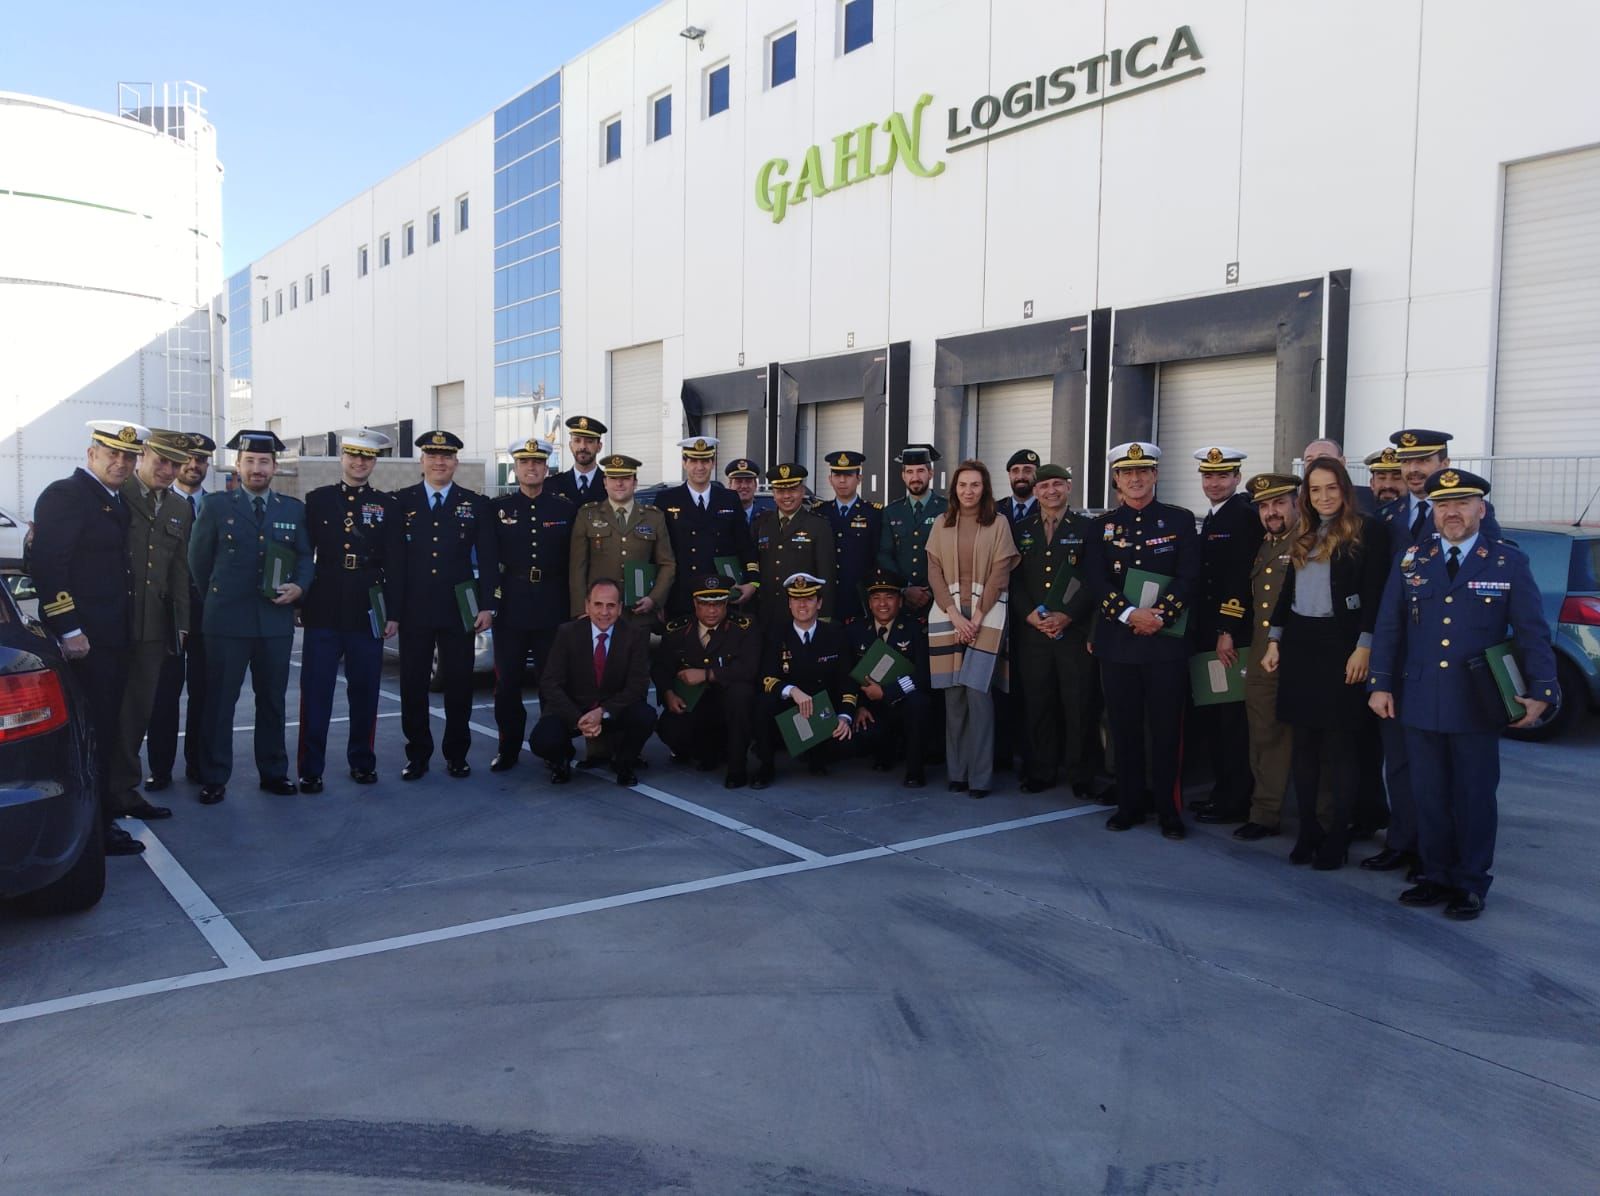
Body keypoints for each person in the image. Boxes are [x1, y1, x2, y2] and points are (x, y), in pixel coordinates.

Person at [1368, 469, 1557, 921]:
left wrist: (1543, 690)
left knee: (1473, 797)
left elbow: (1532, 632)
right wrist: (1380, 684)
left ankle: (1470, 882)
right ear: (1433, 511)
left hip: (1476, 702)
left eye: (1462, 504)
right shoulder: (1412, 560)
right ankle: (1434, 875)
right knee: (1427, 794)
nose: (1452, 513)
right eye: (1443, 505)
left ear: (1481, 510)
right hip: (1419, 698)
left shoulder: (1507, 562)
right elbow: (1389, 627)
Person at [1365, 427, 1500, 876]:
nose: (1413, 469)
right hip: (1398, 661)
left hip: (1448, 667)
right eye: (1406, 462)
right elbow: (1381, 599)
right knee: (1403, 763)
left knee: (1457, 775)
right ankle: (1405, 841)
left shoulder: (1476, 515)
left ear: (1444, 461)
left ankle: (1446, 857)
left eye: (1424, 460)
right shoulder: (1388, 516)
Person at [1260, 457, 1388, 869]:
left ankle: (1338, 837)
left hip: (1342, 646)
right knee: (1304, 747)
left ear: (1345, 489)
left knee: (1341, 749)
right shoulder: (1306, 533)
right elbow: (1286, 594)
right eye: (1315, 490)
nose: (1323, 496)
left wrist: (1365, 647)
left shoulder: (1369, 531)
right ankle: (1309, 831)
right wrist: (1275, 639)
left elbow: (1376, 594)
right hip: (1300, 645)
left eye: (1331, 487)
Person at [29, 420, 149, 856]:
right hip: (86, 642)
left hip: (111, 637)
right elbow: (48, 565)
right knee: (91, 734)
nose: (120, 462)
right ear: (91, 453)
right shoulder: (67, 495)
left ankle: (102, 818)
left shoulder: (111, 501)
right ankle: (95, 832)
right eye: (111, 453)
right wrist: (70, 629)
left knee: (105, 729)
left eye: (128, 456)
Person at [187, 429, 314, 805]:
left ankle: (274, 772)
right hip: (226, 622)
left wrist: (299, 588)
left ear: (275, 467)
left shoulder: (293, 509)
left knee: (273, 701)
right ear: (238, 466)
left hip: (274, 623)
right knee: (220, 701)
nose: (257, 468)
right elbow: (198, 563)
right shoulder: (216, 507)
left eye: (264, 462)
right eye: (250, 462)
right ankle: (213, 776)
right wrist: (218, 597)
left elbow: (305, 557)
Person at [1088, 442, 1199, 840]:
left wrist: (1160, 615)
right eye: (1127, 473)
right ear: (1116, 479)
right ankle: (1130, 804)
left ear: (1154, 475)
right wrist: (1128, 613)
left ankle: (1169, 809)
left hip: (1165, 643)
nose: (1135, 479)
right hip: (1119, 642)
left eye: (1143, 471)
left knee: (1167, 730)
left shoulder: (1179, 520)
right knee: (1124, 728)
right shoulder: (1101, 526)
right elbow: (1095, 579)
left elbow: (1189, 576)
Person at [295, 428, 401, 792]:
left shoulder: (387, 505)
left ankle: (362, 761)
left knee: (365, 690)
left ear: (374, 462)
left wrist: (394, 612)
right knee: (316, 690)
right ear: (342, 458)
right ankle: (311, 768)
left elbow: (395, 565)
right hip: (323, 605)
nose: (359, 463)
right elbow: (303, 555)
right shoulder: (318, 500)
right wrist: (300, 599)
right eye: (353, 456)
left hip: (366, 607)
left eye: (367, 457)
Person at [392, 429, 498, 781]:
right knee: (413, 684)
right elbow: (392, 563)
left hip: (459, 610)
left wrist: (486, 606)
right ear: (422, 460)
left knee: (458, 685)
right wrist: (392, 611)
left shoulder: (475, 504)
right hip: (415, 609)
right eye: (433, 455)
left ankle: (457, 753)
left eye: (447, 456)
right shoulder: (401, 502)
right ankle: (418, 754)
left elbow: (488, 556)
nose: (440, 461)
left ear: (456, 462)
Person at [107, 429, 194, 821]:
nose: (168, 469)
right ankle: (97, 792)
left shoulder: (179, 507)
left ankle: (124, 792)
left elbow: (179, 570)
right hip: (110, 622)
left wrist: (182, 624)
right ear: (142, 456)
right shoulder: (115, 494)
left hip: (153, 627)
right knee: (104, 709)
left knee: (138, 711)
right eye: (161, 460)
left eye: (175, 463)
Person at [925, 459, 1020, 800]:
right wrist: (954, 615)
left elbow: (1000, 572)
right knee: (954, 696)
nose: (968, 491)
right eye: (963, 485)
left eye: (975, 485)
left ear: (985, 488)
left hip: (986, 614)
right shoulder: (941, 522)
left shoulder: (999, 524)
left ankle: (980, 778)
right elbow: (933, 570)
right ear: (955, 489)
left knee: (979, 695)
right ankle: (957, 772)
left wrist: (976, 617)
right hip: (948, 614)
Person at [1007, 463, 1097, 796]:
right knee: (1038, 703)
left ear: (1069, 487)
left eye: (1058, 485)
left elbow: (1094, 581)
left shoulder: (1087, 529)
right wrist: (1029, 615)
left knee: (1078, 705)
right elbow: (1012, 581)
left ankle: (1080, 775)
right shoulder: (1021, 529)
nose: (1051, 492)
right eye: (1044, 487)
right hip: (1033, 634)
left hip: (1072, 633)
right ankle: (1041, 770)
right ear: (1035, 491)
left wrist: (1068, 615)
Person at [488, 437, 576, 772]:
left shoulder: (565, 509)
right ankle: (508, 748)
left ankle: (556, 750)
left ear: (547, 467)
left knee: (551, 682)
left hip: (553, 604)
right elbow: (489, 557)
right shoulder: (499, 509)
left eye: (538, 463)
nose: (531, 468)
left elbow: (573, 559)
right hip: (511, 604)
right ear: (515, 467)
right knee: (507, 683)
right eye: (525, 463)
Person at [1189, 446, 1264, 825]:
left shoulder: (1244, 516)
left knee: (1232, 723)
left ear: (1236, 478)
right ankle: (1221, 793)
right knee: (1216, 719)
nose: (1214, 483)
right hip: (1209, 636)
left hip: (1227, 640)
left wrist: (1227, 631)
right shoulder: (1217, 517)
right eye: (1208, 476)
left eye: (1222, 476)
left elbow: (1239, 580)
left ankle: (1236, 800)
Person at [531, 577, 657, 787]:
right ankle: (562, 760)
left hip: (611, 710)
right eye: (598, 604)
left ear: (619, 608)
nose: (604, 612)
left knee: (646, 716)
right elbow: (550, 682)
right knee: (542, 740)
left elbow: (638, 685)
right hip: (574, 709)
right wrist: (578, 718)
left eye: (610, 606)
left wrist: (602, 711)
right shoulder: (567, 633)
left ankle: (624, 763)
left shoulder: (634, 635)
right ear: (587, 606)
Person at [1233, 473, 1302, 842]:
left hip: (1298, 655)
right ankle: (1265, 811)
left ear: (1296, 502)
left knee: (1306, 742)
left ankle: (1315, 818)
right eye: (1264, 506)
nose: (1271, 512)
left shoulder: (1308, 541)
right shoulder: (1267, 544)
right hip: (1263, 654)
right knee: (1263, 735)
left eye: (1278, 503)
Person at [145, 432, 215, 790]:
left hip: (209, 614)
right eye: (186, 458)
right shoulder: (157, 503)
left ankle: (198, 764)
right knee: (165, 692)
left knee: (204, 691)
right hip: (168, 614)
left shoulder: (219, 505)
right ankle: (160, 767)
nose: (193, 465)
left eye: (200, 460)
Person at [653, 574, 761, 787]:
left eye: (718, 604)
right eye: (705, 604)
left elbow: (749, 668)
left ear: (726, 603)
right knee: (669, 728)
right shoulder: (677, 630)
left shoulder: (744, 627)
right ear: (695, 603)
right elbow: (661, 667)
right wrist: (668, 693)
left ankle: (737, 766)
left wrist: (707, 674)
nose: (712, 610)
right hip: (695, 705)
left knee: (741, 694)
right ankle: (706, 753)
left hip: (728, 704)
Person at [752, 573, 858, 788]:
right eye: (796, 599)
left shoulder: (835, 633)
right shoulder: (775, 634)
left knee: (846, 745)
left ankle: (817, 755)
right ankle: (766, 766)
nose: (802, 605)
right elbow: (765, 677)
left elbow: (847, 678)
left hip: (822, 711)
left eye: (809, 599)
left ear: (819, 603)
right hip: (788, 707)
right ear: (789, 604)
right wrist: (792, 690)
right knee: (764, 703)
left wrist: (845, 716)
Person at [569, 453, 675, 631]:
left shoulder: (653, 517)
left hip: (639, 613)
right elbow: (577, 567)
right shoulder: (587, 515)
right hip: (598, 614)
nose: (619, 484)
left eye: (625, 478)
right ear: (605, 482)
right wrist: (581, 609)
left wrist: (654, 599)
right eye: (613, 478)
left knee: (637, 659)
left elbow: (667, 564)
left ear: (634, 482)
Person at [654, 436, 756, 619]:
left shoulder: (729, 498)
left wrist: (753, 582)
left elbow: (745, 546)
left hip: (722, 593)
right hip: (681, 596)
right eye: (693, 460)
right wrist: (657, 598)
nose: (699, 467)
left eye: (705, 461)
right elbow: (657, 553)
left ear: (713, 463)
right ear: (684, 463)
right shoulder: (666, 500)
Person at [846, 568, 930, 788]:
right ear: (869, 603)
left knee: (918, 703)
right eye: (876, 598)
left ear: (900, 602)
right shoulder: (855, 631)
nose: (882, 604)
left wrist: (888, 692)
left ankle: (914, 770)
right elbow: (847, 674)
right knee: (860, 737)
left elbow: (923, 674)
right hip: (871, 706)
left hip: (903, 701)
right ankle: (885, 753)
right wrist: (858, 706)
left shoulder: (914, 629)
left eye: (889, 597)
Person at [749, 463, 836, 625]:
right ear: (773, 494)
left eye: (792, 490)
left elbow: (826, 574)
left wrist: (824, 615)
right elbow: (753, 565)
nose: (786, 496)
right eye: (781, 491)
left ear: (802, 491)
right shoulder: (761, 524)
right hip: (767, 613)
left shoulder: (818, 525)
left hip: (803, 615)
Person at [877, 445, 948, 622]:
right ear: (903, 475)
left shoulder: (947, 509)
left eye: (921, 471)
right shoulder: (891, 512)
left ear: (930, 473)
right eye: (909, 472)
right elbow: (885, 555)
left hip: (939, 601)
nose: (915, 477)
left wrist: (931, 591)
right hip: (902, 601)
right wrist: (905, 589)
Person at [818, 450, 882, 624]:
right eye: (837, 475)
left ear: (859, 478)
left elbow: (878, 557)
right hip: (825, 599)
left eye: (848, 475)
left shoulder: (874, 514)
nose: (842, 480)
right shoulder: (819, 513)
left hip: (859, 599)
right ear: (830, 479)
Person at [548, 414, 607, 508]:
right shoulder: (552, 484)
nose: (583, 446)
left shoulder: (611, 485)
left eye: (589, 441)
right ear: (571, 446)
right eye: (577, 440)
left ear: (599, 447)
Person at [725, 457, 775, 527]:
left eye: (748, 481)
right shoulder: (720, 518)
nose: (744, 486)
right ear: (730, 485)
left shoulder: (769, 518)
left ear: (755, 485)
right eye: (739, 481)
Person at [995, 449, 1040, 525]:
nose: (1020, 477)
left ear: (1038, 474)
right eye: (1015, 471)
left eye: (1027, 471)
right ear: (1009, 475)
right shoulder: (994, 509)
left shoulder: (1046, 510)